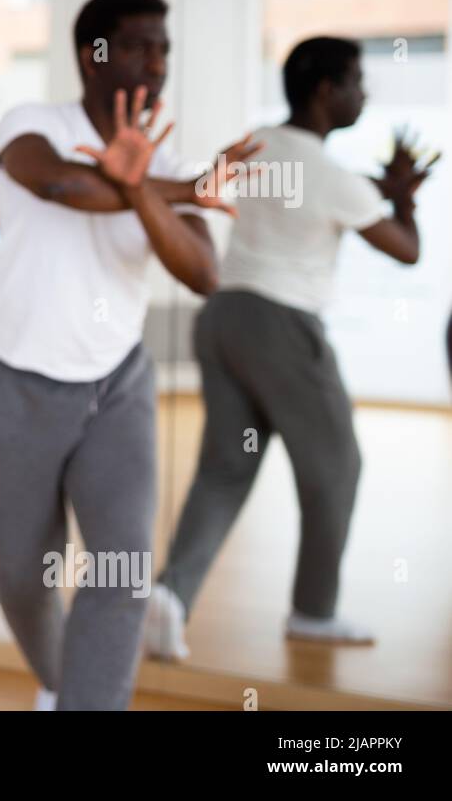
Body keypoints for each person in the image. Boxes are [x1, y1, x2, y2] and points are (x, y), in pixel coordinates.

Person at [0, 0, 259, 710]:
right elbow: (61, 181)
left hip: (117, 387)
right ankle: (64, 680)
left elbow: (203, 271)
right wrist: (173, 185)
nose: (155, 63)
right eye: (135, 45)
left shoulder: (170, 163)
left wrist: (147, 187)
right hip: (15, 379)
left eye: (163, 48)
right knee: (14, 572)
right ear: (89, 55)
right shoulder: (32, 122)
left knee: (124, 572)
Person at [147, 37, 436, 659]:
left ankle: (169, 600)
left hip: (222, 316)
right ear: (326, 90)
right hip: (282, 325)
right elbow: (407, 250)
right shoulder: (333, 176)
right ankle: (313, 610)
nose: (365, 93)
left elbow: (302, 187)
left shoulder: (260, 143)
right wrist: (404, 197)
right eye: (357, 81)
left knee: (226, 468)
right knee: (337, 464)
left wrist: (379, 187)